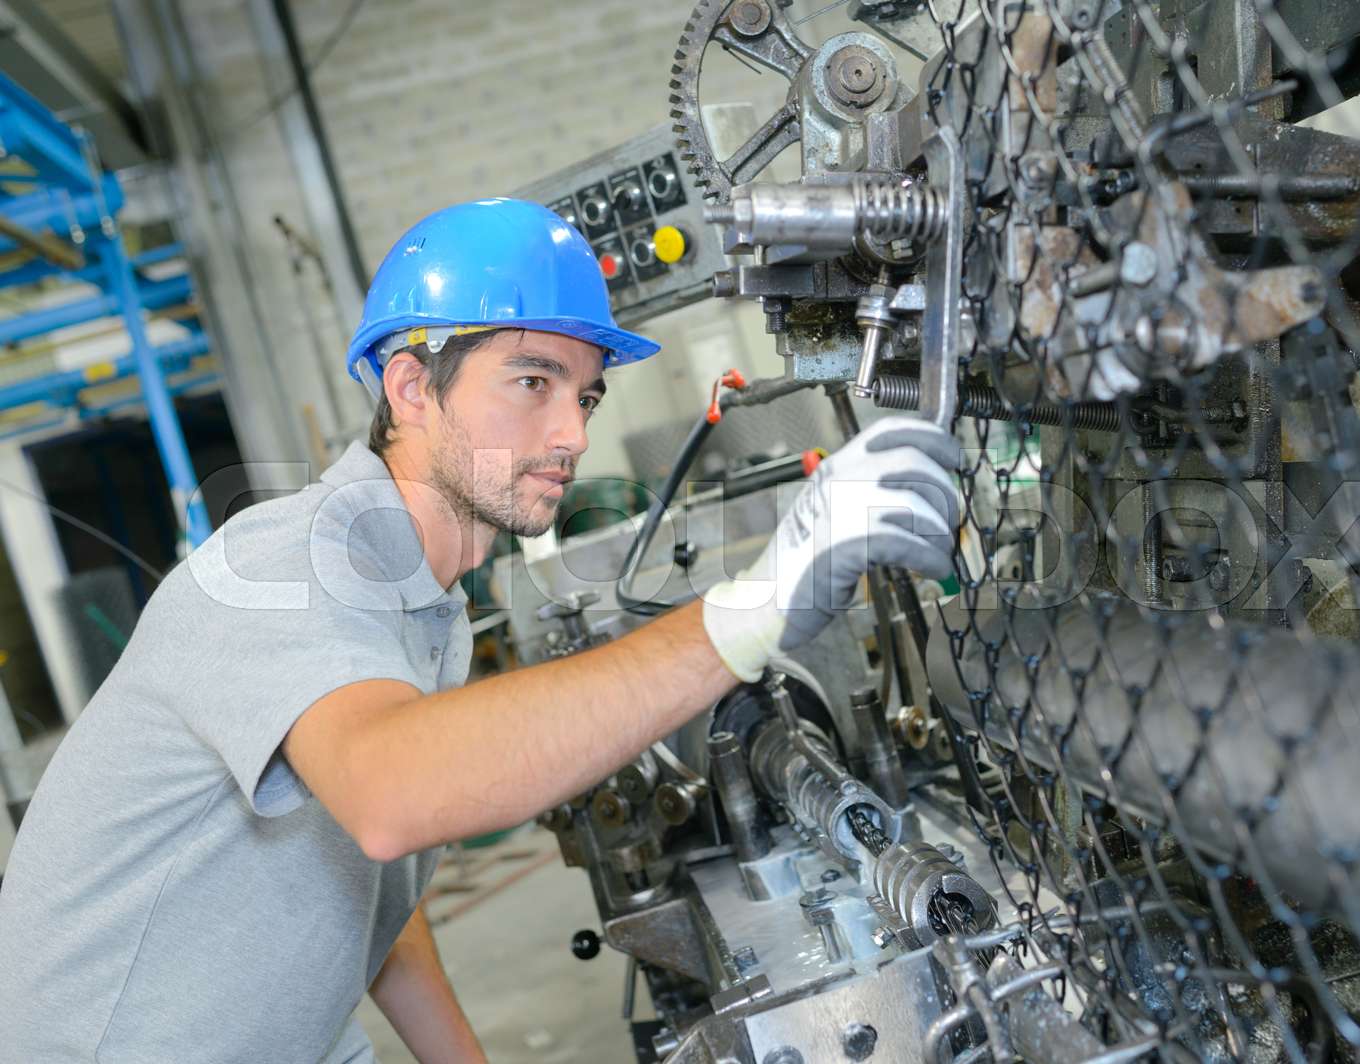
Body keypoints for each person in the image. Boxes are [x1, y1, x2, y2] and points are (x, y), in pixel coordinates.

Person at [0, 198, 959, 1062]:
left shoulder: (428, 610)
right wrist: (758, 602)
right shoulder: (283, 565)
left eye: (584, 396)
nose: (574, 434)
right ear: (411, 386)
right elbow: (392, 794)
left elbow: (362, 877)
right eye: (531, 382)